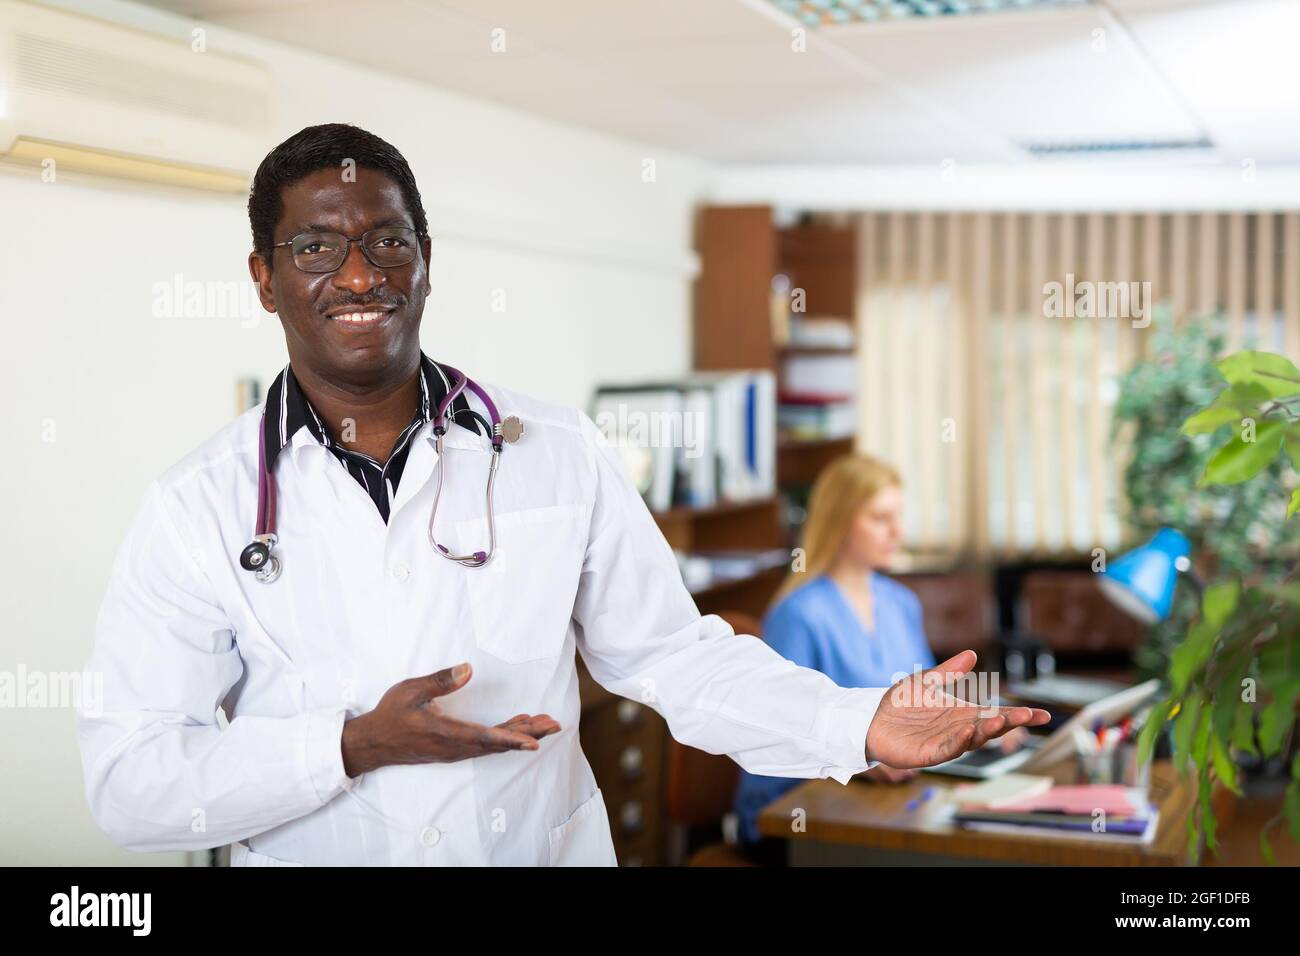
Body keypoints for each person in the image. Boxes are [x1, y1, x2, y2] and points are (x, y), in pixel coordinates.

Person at [75, 124, 1047, 866]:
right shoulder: (196, 507)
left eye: (387, 240)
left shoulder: (555, 450)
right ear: (263, 278)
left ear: (425, 258)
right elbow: (130, 782)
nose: (361, 274)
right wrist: (350, 745)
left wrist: (855, 723)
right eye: (315, 248)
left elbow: (672, 657)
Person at [733, 454, 1024, 863]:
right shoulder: (798, 614)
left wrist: (979, 719)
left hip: (885, 802)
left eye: (898, 517)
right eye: (880, 518)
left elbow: (925, 701)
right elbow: (776, 728)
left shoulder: (900, 602)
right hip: (793, 815)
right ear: (840, 522)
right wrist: (859, 755)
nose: (897, 531)